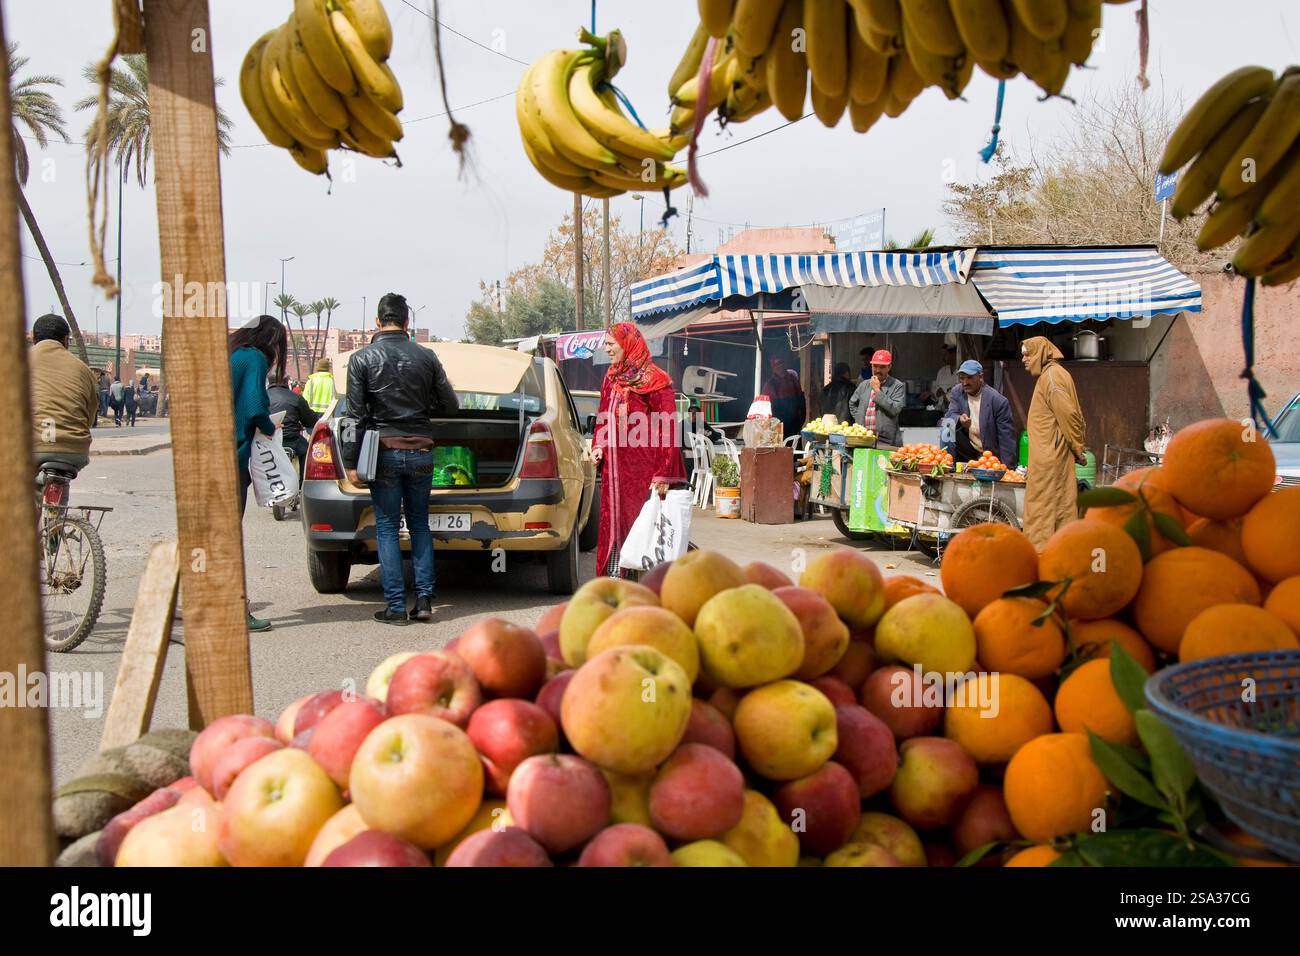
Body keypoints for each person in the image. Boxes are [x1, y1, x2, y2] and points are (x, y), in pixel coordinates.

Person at [343, 293, 459, 625]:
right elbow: (450, 404)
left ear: (378, 322)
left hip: (384, 454)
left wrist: (351, 463)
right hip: (422, 450)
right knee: (420, 525)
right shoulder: (427, 356)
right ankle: (424, 602)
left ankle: (395, 607)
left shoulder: (362, 359)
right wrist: (423, 409)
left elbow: (353, 417)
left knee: (388, 527)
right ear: (407, 322)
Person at [593, 321, 688, 578]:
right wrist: (599, 445)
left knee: (645, 526)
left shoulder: (656, 380)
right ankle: (613, 582)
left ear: (627, 344)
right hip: (615, 473)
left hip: (645, 475)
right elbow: (604, 416)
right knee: (613, 525)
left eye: (611, 344)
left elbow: (666, 428)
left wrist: (663, 474)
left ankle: (647, 588)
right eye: (607, 344)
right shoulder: (611, 378)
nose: (607, 349)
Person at [229, 314, 289, 633]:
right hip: (232, 459)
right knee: (229, 539)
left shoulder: (230, 354)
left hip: (208, 458)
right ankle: (238, 611)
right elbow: (254, 408)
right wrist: (271, 427)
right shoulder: (252, 358)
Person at [1022, 336, 1087, 550]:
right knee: (1059, 506)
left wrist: (1077, 446)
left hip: (1050, 459)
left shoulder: (1052, 377)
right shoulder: (1051, 375)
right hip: (1050, 456)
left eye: (1027, 354)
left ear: (1040, 353)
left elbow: (1069, 416)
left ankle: (1043, 556)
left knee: (1043, 509)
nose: (1024, 359)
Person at [30, 314, 98, 476]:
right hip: (73, 450)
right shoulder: (82, 369)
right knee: (60, 477)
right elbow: (91, 412)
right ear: (66, 340)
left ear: (33, 338)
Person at [940, 360, 1017, 466]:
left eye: (970, 378)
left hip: (988, 453)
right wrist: (959, 420)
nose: (965, 382)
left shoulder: (997, 401)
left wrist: (1007, 468)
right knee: (947, 425)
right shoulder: (957, 391)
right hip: (968, 448)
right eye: (962, 378)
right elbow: (950, 414)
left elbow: (1006, 437)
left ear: (980, 377)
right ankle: (948, 466)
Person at [268, 373, 320, 482]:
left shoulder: (262, 397)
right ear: (286, 382)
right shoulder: (296, 398)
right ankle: (303, 483)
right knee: (308, 452)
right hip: (292, 440)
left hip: (268, 441)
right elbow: (310, 421)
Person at [849, 349, 906, 448]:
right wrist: (859, 419)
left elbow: (895, 409)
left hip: (885, 439)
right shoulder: (864, 385)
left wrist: (877, 390)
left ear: (889, 367)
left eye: (882, 367)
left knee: (882, 463)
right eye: (875, 366)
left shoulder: (897, 386)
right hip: (864, 438)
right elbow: (852, 403)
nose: (878, 370)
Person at [765, 357, 807, 439]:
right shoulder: (770, 384)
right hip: (777, 423)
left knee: (794, 447)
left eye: (781, 363)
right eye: (776, 365)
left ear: (785, 364)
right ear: (773, 368)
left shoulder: (793, 380)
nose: (779, 366)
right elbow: (765, 406)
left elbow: (801, 401)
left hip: (794, 423)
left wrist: (800, 421)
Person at [924, 343, 960, 411]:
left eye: (945, 355)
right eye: (942, 355)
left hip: (956, 410)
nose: (943, 358)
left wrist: (947, 395)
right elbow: (935, 388)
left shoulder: (961, 372)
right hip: (940, 409)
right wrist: (937, 391)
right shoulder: (942, 371)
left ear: (954, 355)